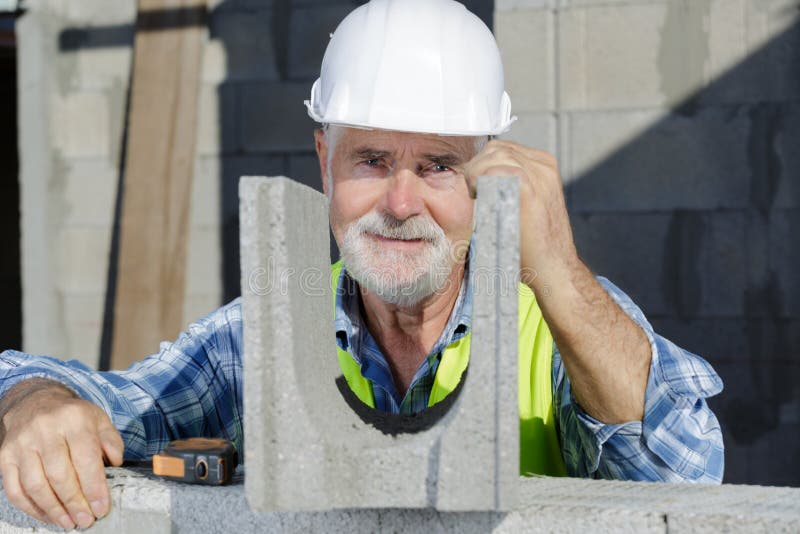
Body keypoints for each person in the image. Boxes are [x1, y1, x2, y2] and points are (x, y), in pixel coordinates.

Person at [0, 0, 724, 529]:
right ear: (325, 161)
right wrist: (34, 403)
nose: (401, 203)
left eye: (438, 165)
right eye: (372, 159)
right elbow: (121, 405)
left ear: (491, 172)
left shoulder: (559, 322)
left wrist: (559, 270)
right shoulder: (271, 332)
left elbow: (685, 484)